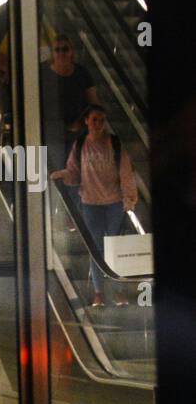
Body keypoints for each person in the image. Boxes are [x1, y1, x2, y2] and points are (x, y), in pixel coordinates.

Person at [51, 104, 139, 306]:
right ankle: (99, 292)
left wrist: (129, 198)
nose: (98, 124)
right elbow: (73, 171)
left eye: (101, 120)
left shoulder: (114, 144)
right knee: (95, 247)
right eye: (94, 120)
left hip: (114, 202)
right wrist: (62, 175)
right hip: (90, 203)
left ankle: (118, 290)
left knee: (114, 246)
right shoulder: (81, 144)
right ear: (86, 121)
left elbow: (126, 172)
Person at [41, 35, 100, 172]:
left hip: (78, 129)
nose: (61, 53)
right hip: (52, 130)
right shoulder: (43, 73)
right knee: (59, 167)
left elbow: (93, 102)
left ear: (71, 51)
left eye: (65, 49)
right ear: (52, 53)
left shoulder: (82, 73)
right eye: (57, 50)